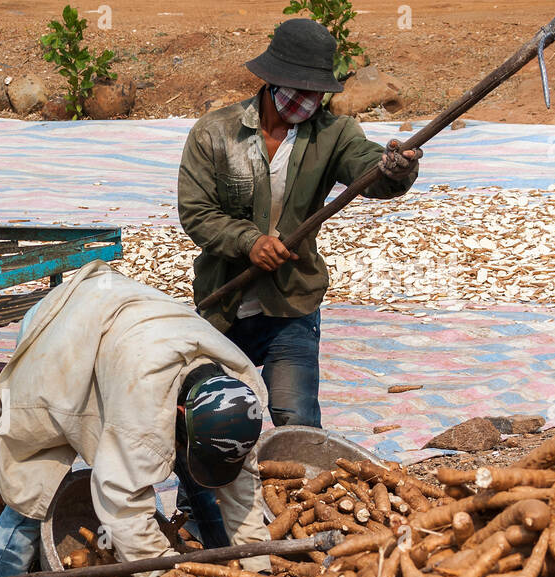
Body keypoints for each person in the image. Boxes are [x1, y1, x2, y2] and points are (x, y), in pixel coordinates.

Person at [0, 260, 271, 577]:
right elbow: (122, 501)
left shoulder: (242, 398)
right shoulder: (144, 405)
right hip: (62, 334)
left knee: (194, 472)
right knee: (34, 489)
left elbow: (243, 494)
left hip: (122, 322)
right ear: (179, 415)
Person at [178, 17, 421, 429]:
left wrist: (395, 169)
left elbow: (367, 168)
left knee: (297, 423)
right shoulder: (214, 133)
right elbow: (196, 211)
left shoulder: (335, 133)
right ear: (274, 82)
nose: (310, 100)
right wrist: (248, 242)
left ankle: (297, 491)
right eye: (302, 90)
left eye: (318, 92)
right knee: (208, 424)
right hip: (222, 304)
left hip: (291, 305)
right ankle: (200, 497)